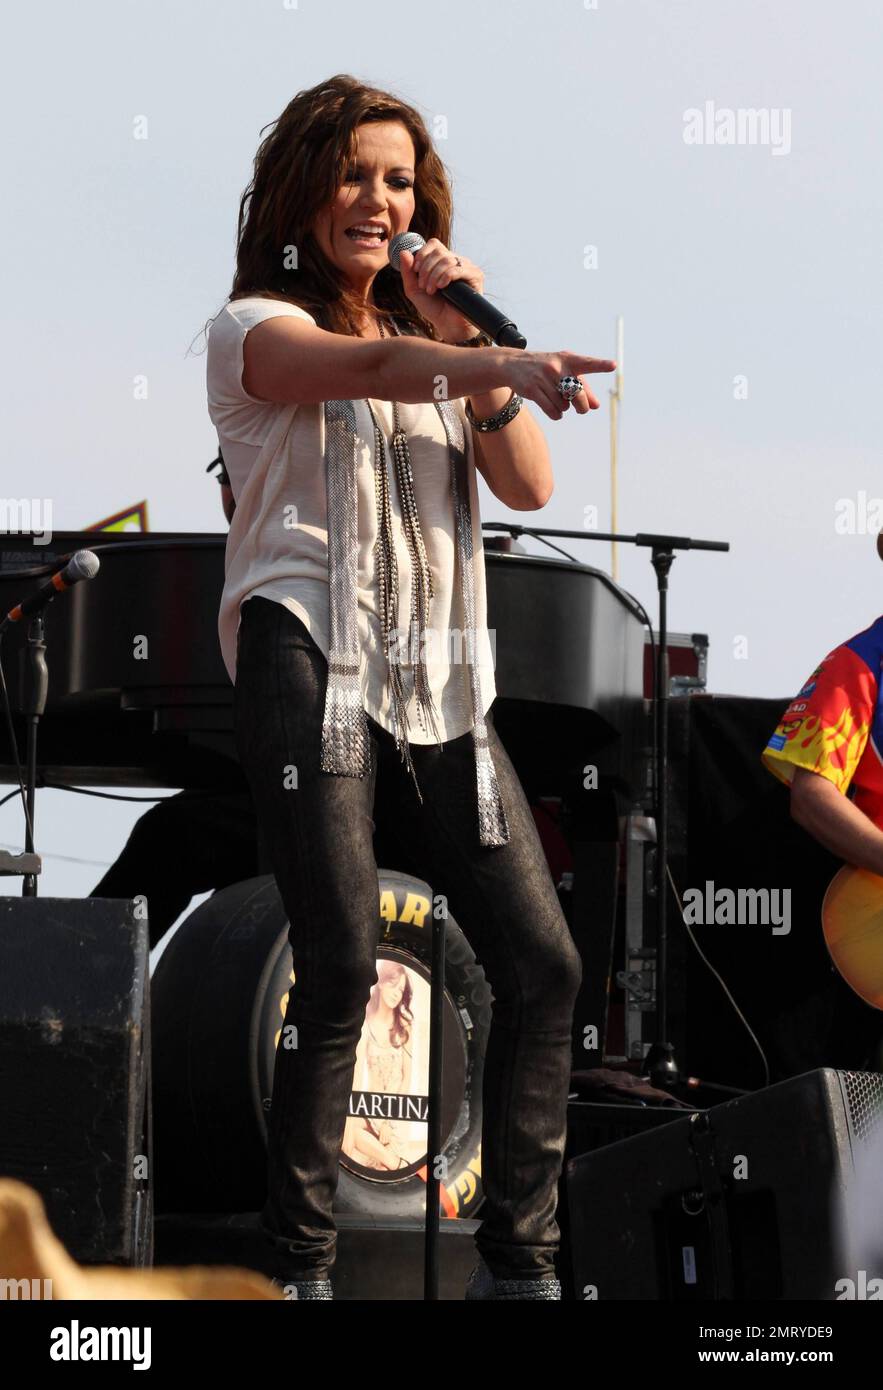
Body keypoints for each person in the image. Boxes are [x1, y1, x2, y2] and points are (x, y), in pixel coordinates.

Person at [206, 72, 616, 1302]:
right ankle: (299, 1272)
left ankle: (523, 1270)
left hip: (439, 678)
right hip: (308, 650)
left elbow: (532, 483)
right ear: (302, 191)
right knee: (336, 960)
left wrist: (482, 351)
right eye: (355, 175)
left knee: (543, 967)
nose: (379, 201)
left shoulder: (439, 347)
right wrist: (475, 352)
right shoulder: (253, 328)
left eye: (400, 181)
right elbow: (367, 367)